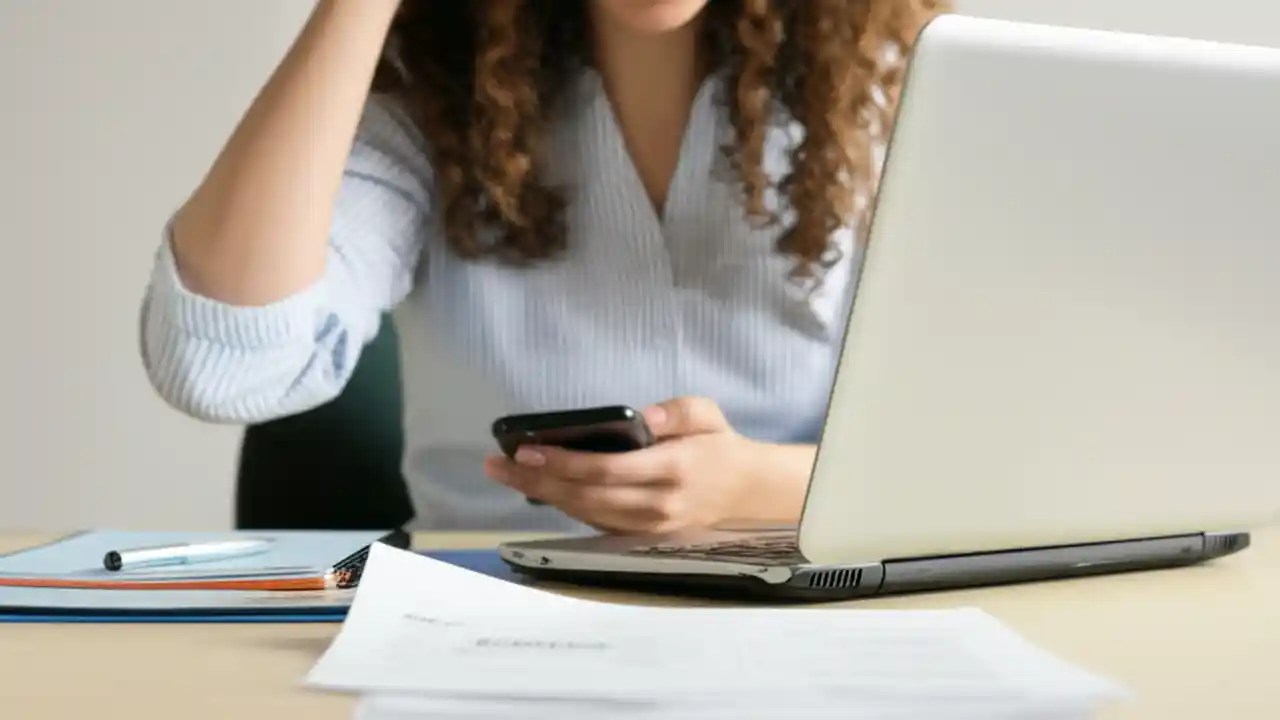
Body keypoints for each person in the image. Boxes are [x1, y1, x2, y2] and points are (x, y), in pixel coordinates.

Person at [139, 0, 947, 534]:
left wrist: (759, 490)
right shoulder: (432, 106)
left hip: (812, 643)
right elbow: (221, 363)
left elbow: (1016, 467)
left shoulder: (910, 96)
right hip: (478, 637)